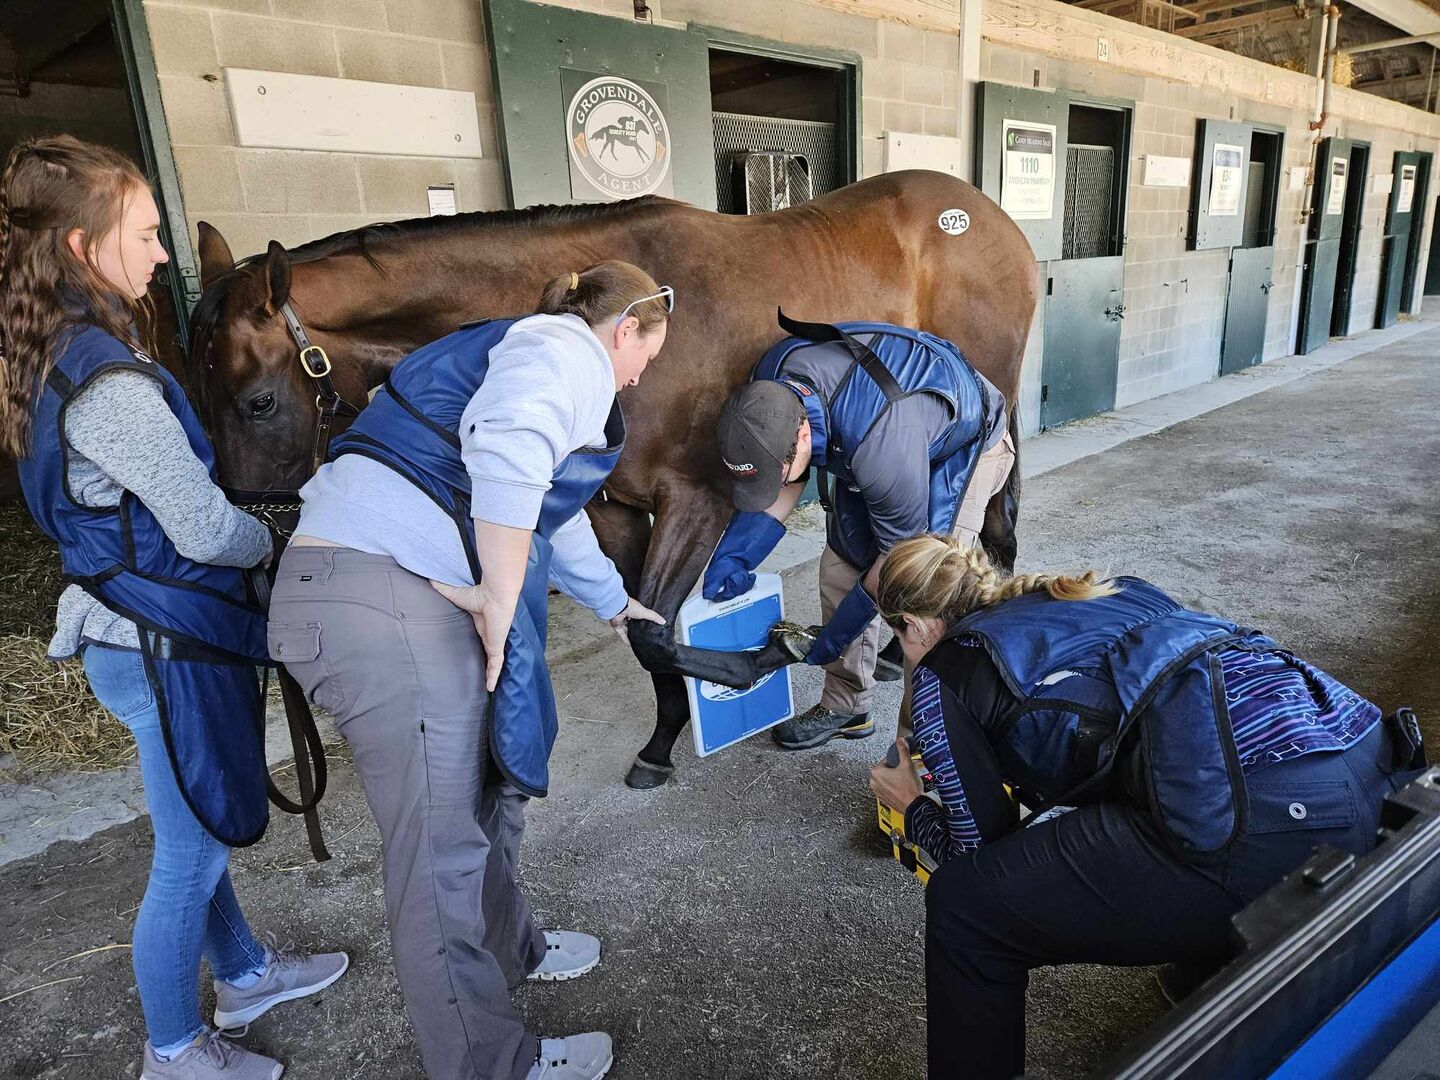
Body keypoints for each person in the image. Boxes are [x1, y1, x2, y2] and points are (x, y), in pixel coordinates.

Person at [266, 261, 670, 1080]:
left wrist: (613, 604)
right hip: (385, 594)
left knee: (485, 795)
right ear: (625, 327)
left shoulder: (517, 349)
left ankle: (513, 948)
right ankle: (491, 1065)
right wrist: (497, 594)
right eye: (645, 358)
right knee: (440, 853)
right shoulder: (566, 350)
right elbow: (511, 448)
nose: (636, 376)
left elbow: (548, 505)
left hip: (371, 584)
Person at [0, 135, 348, 1080]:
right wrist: (281, 541)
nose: (160, 254)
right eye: (146, 234)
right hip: (158, 638)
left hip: (135, 624)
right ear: (82, 247)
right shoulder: (108, 381)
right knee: (188, 853)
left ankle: (240, 971)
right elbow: (199, 529)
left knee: (196, 810)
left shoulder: (56, 353)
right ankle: (174, 1047)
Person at [867, 534, 1426, 1080]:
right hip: (1375, 768)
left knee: (965, 907)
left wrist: (913, 805)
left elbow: (976, 853)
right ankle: (1210, 965)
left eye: (900, 643)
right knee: (1152, 801)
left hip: (1269, 827)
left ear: (914, 626)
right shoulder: (1105, 591)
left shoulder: (949, 670)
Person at [704, 313, 1014, 750]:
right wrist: (734, 556)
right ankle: (847, 705)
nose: (773, 486)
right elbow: (789, 477)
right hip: (874, 435)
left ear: (804, 434)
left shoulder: (881, 442)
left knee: (926, 606)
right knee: (839, 571)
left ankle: (920, 744)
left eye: (775, 474)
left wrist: (831, 640)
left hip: (964, 446)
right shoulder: (771, 387)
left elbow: (897, 560)